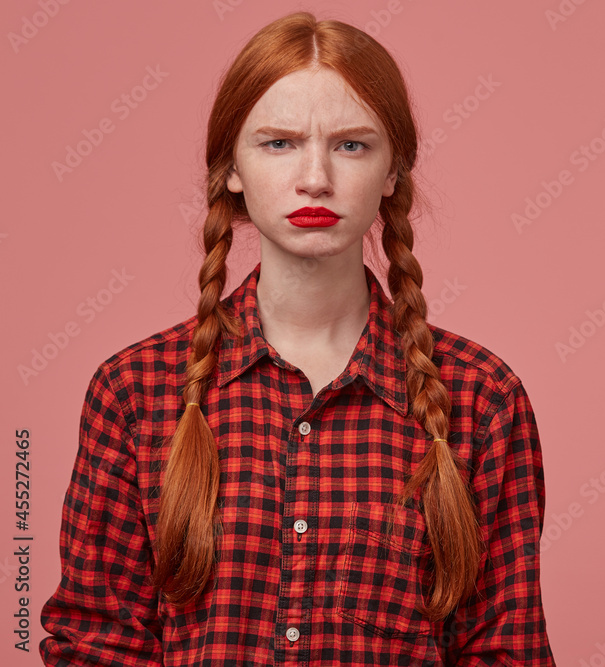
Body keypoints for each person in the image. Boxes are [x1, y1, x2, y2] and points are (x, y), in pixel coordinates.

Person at [39, 11, 555, 665]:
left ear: (393, 171)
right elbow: (96, 645)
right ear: (231, 169)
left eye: (352, 145)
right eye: (278, 142)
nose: (316, 177)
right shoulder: (134, 391)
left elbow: (507, 650)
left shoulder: (482, 395)